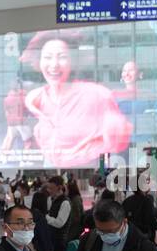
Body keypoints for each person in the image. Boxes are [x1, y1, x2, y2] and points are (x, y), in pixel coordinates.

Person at [22, 31, 132, 168]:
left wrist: (115, 133)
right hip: (49, 168)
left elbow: (118, 140)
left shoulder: (96, 94)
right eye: (47, 57)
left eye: (61, 57)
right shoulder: (36, 99)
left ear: (73, 61)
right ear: (39, 62)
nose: (54, 64)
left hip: (88, 170)